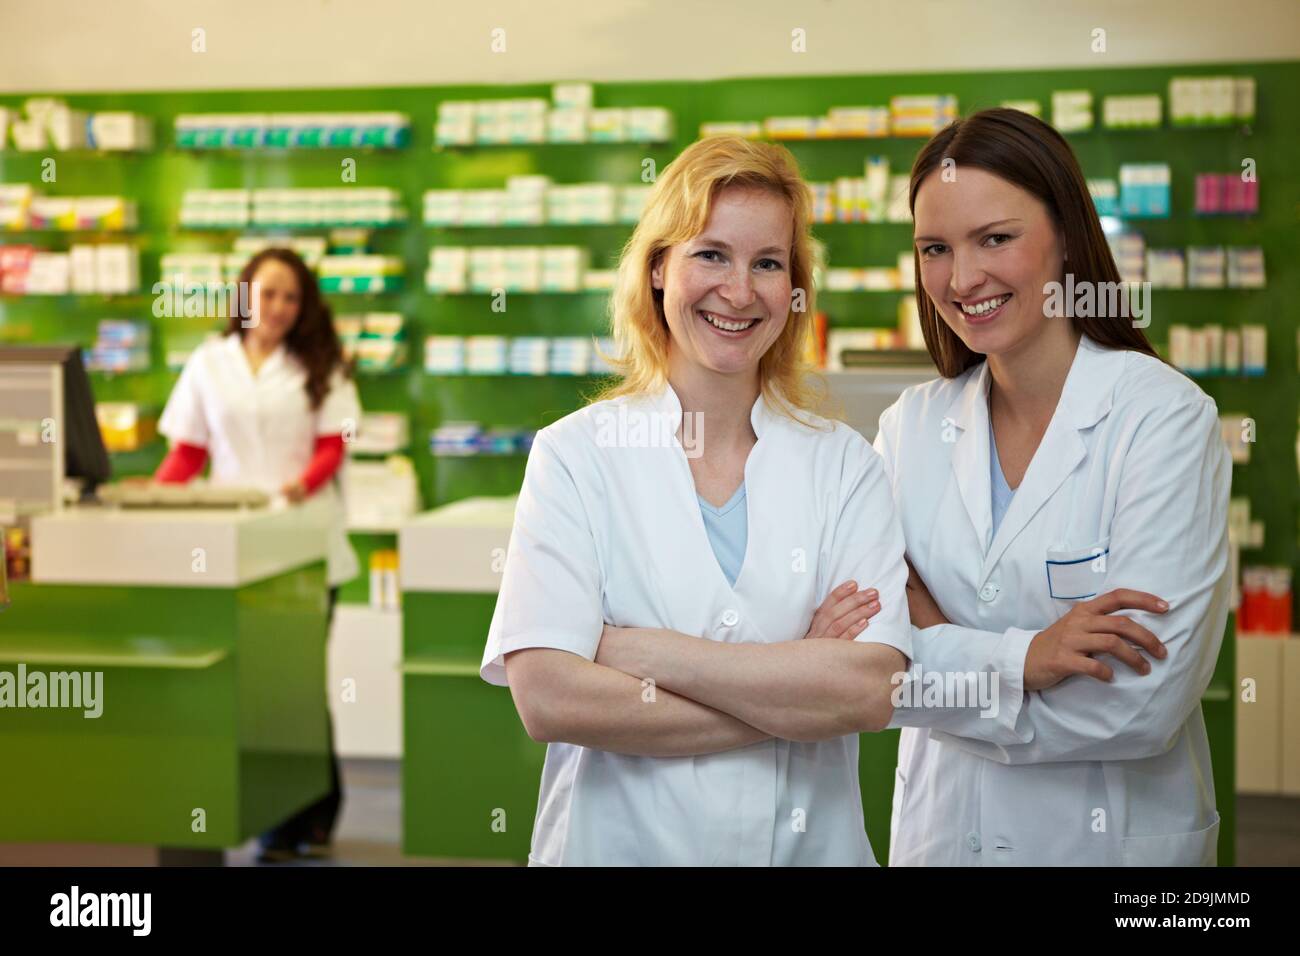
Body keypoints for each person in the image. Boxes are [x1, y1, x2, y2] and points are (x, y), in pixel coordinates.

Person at [480, 135, 911, 867]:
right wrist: (795, 680)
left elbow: (870, 691)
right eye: (710, 254)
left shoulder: (846, 466)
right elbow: (550, 699)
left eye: (768, 264)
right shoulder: (575, 457)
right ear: (657, 269)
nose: (739, 291)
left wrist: (636, 651)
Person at [876, 108, 1230, 866]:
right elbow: (869, 660)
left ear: (1066, 235)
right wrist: (1027, 660)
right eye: (935, 248)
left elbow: (1141, 705)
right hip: (943, 839)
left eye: (994, 238)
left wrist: (937, 645)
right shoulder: (909, 428)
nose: (962, 278)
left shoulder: (1162, 420)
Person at [154, 246, 361, 862]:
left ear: (305, 308)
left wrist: (299, 486)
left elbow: (333, 444)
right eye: (267, 293)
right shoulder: (209, 362)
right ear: (244, 294)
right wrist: (149, 501)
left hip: (302, 542)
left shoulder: (321, 363)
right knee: (247, 685)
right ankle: (263, 807)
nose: (277, 308)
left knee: (294, 682)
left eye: (291, 297)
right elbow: (188, 454)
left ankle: (310, 814)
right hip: (231, 548)